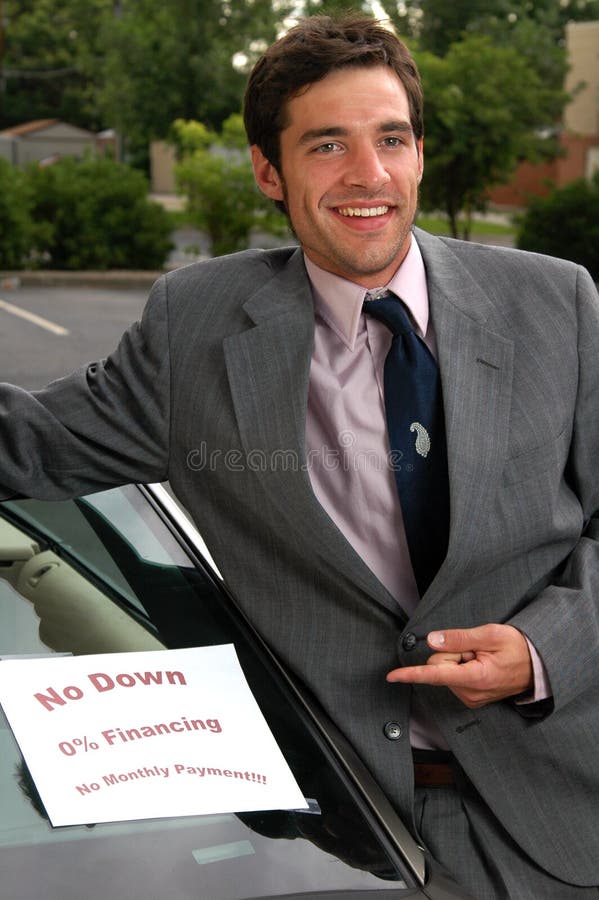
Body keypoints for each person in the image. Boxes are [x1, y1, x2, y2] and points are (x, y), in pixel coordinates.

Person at [1, 13, 598, 898]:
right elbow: (30, 446)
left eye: (390, 139)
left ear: (419, 153)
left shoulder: (556, 304)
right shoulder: (195, 326)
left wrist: (543, 646)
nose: (370, 176)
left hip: (564, 812)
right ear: (267, 172)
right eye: (327, 145)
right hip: (339, 833)